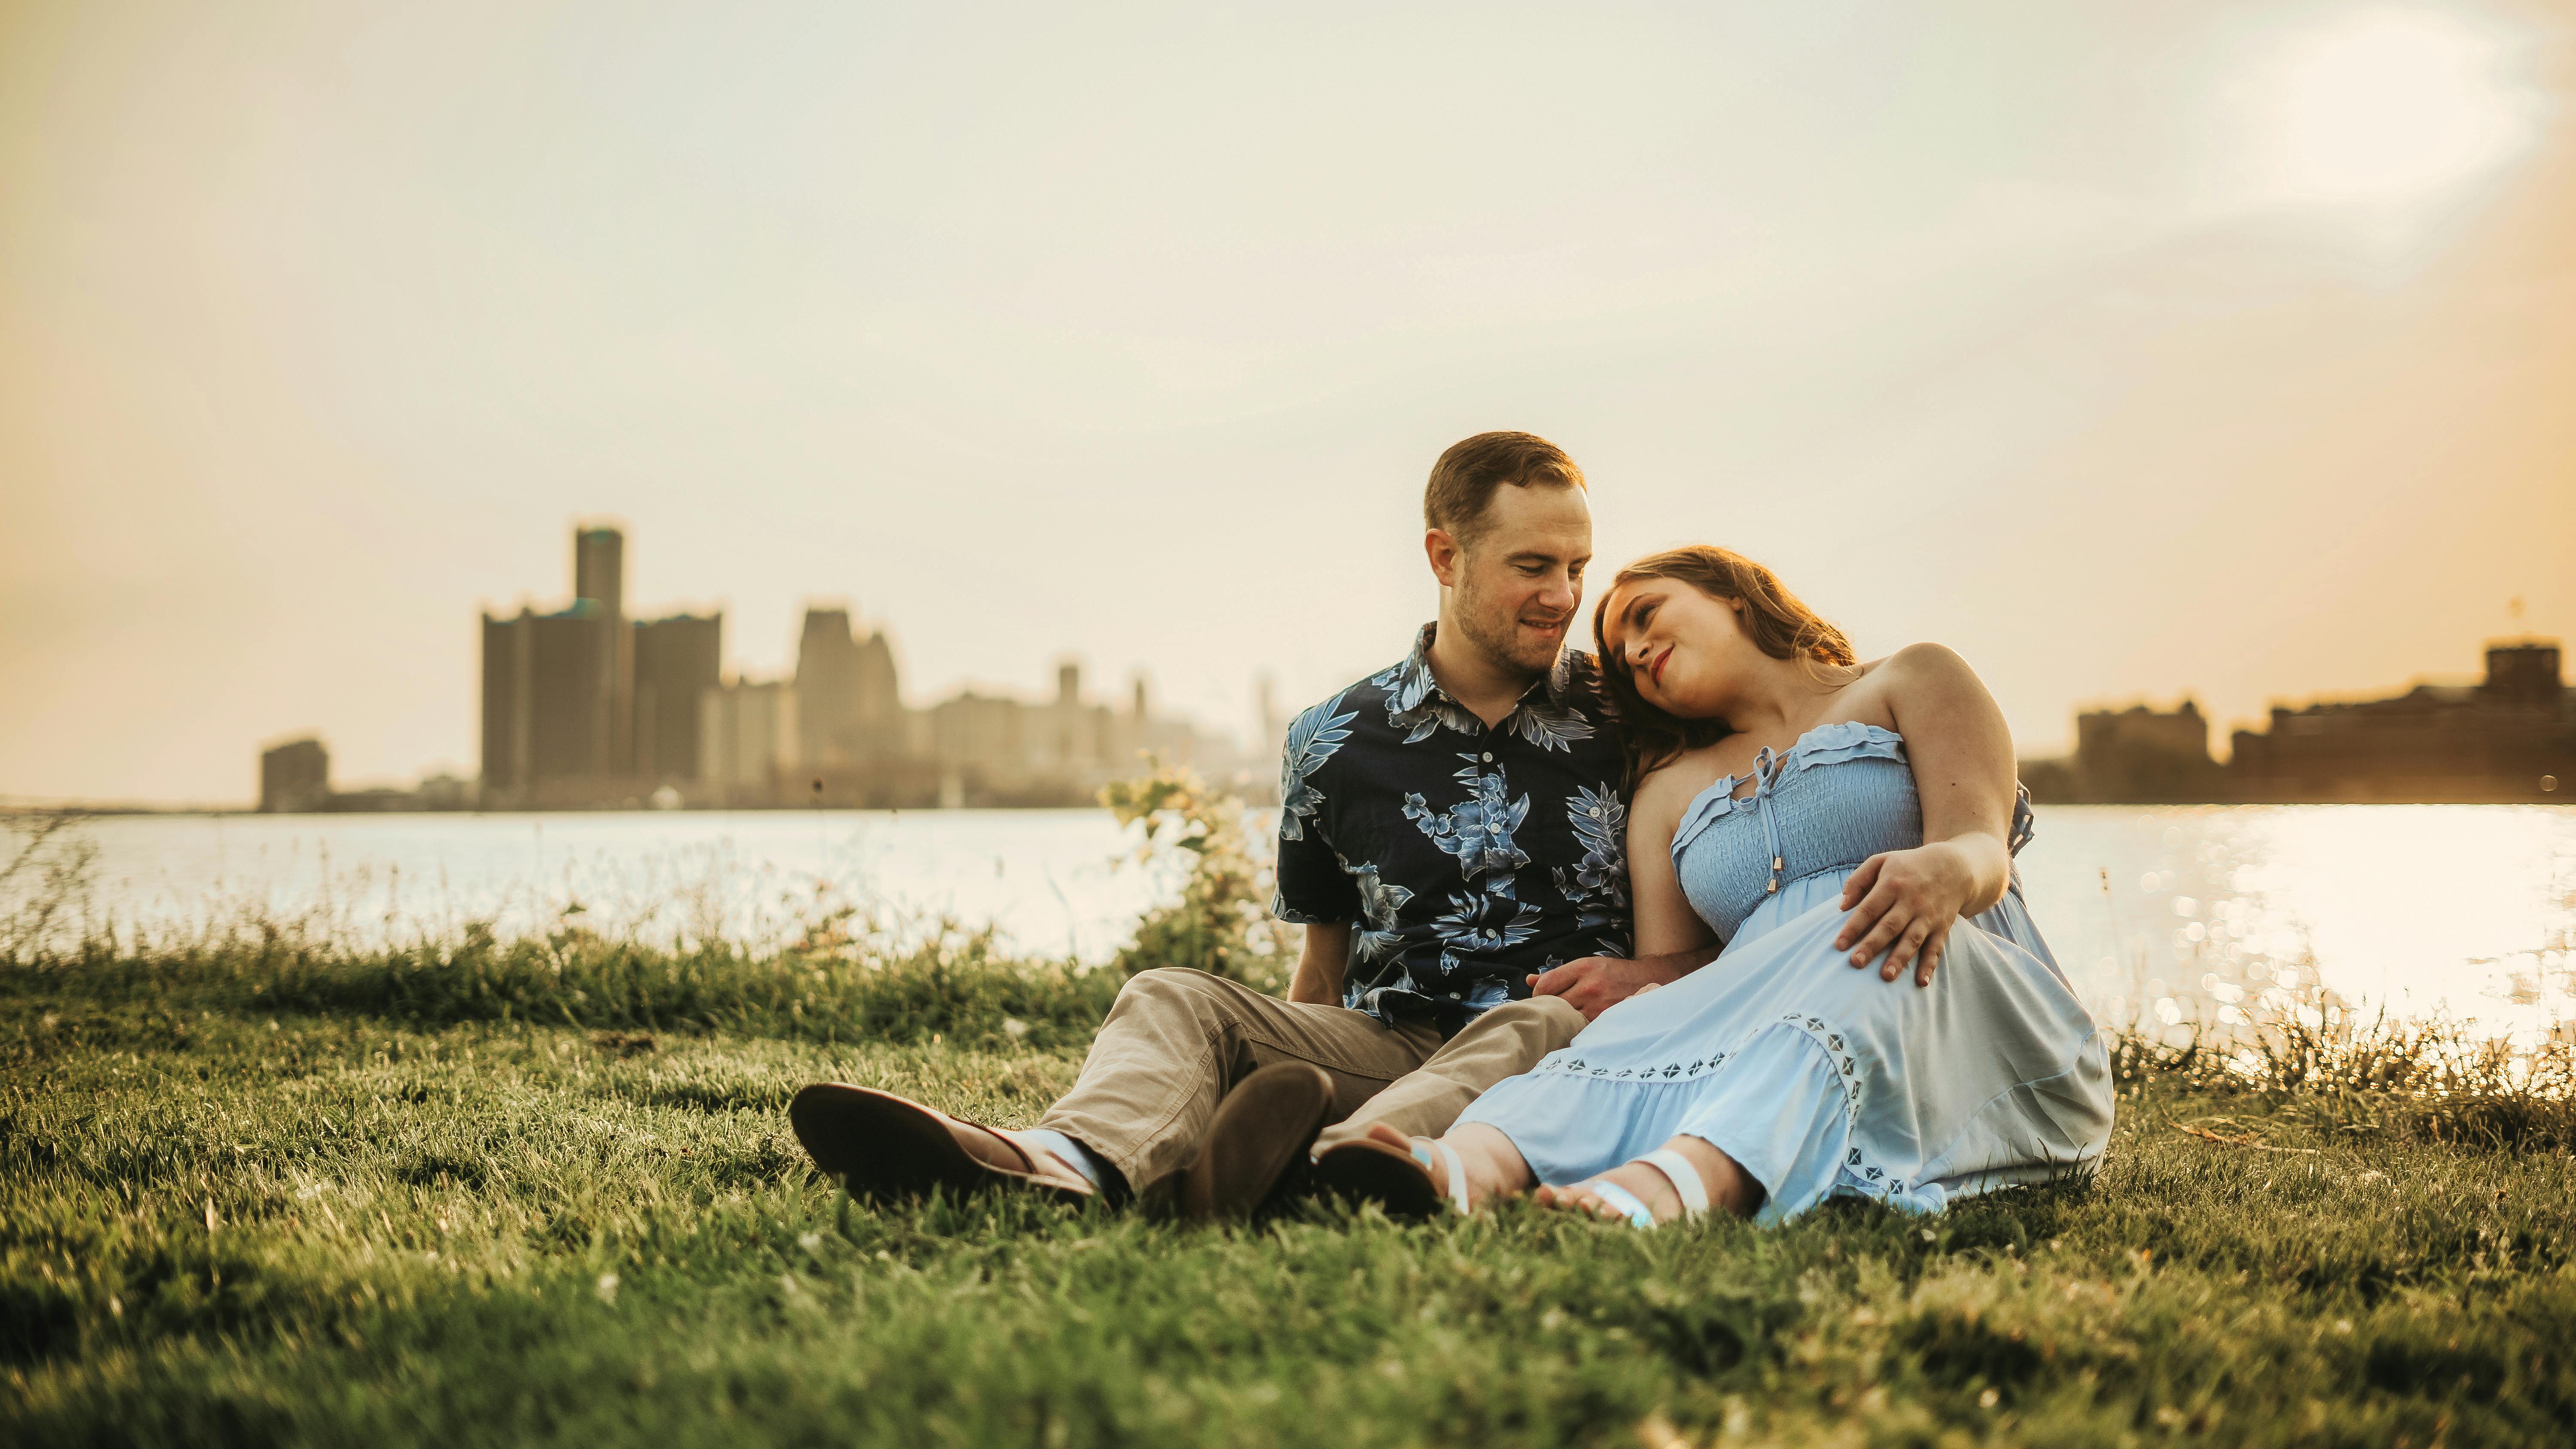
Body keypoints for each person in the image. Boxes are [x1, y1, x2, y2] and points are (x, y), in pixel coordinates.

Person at [786, 433, 1717, 1219]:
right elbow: (1323, 963)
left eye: (1575, 568)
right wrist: (1291, 1058)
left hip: (1568, 1047)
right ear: (1445, 557)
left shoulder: (1629, 710)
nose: (1564, 595)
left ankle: (1326, 1166)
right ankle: (1059, 1162)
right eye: (1533, 567)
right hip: (1392, 1042)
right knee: (1171, 992)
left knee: (1537, 1016)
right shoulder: (1333, 738)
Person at [1312, 545, 2114, 1226]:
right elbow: (1691, 977)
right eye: (1620, 649)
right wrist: (1639, 981)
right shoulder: (1668, 790)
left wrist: (1946, 869)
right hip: (1769, 1004)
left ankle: (1678, 1184)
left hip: (1938, 983)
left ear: (1731, 590)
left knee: (1859, 945)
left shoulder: (1912, 678)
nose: (1631, 648)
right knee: (1621, 1039)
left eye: (1646, 614)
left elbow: (1981, 844)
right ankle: (1460, 1167)